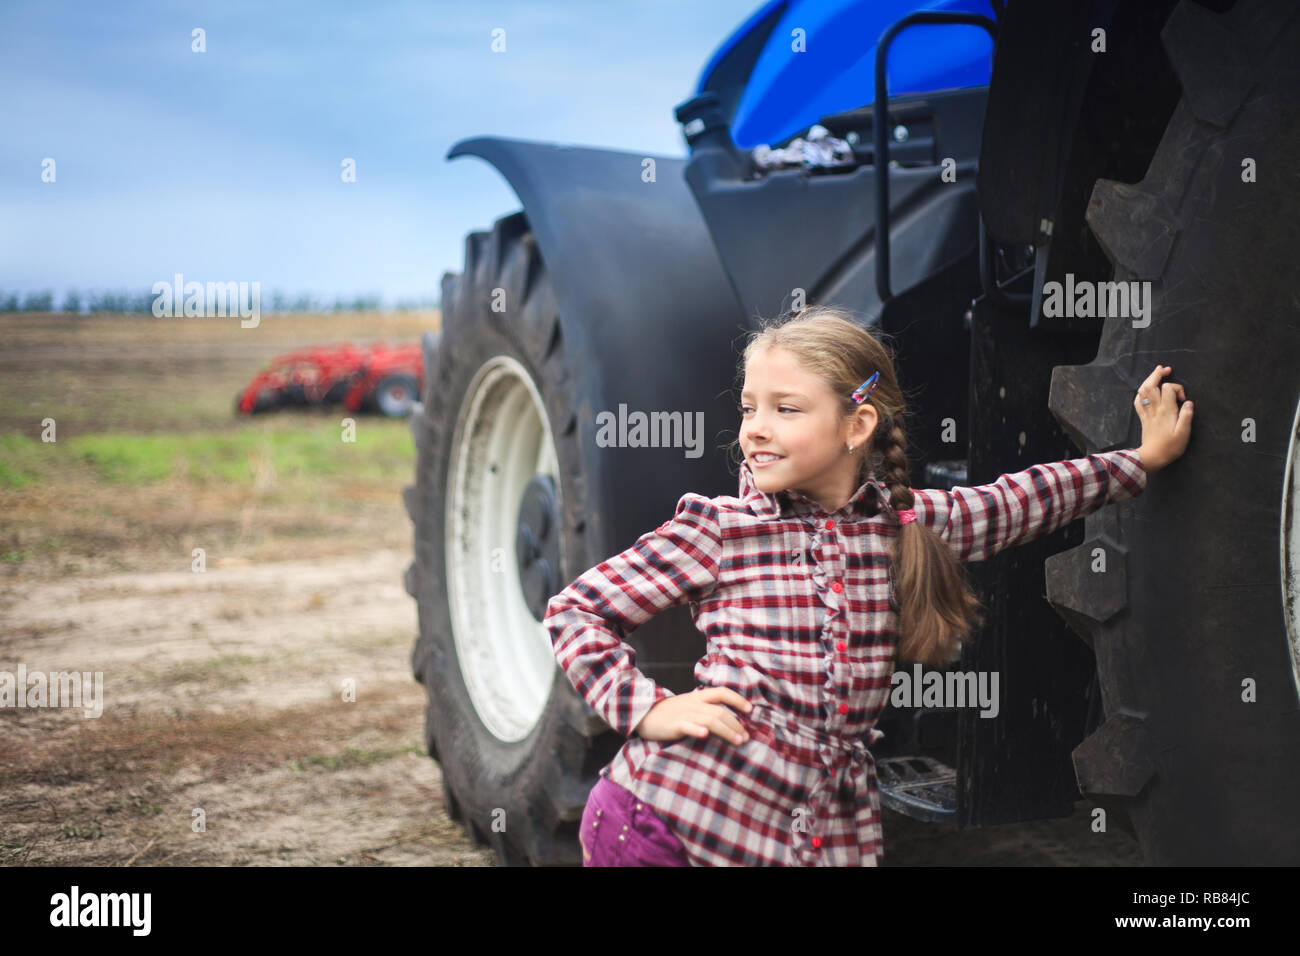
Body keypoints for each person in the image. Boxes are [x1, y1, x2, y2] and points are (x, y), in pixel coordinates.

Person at [544, 305, 1194, 866]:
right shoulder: (720, 530)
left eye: (785, 408)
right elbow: (575, 613)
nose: (755, 428)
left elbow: (1019, 503)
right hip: (662, 828)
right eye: (748, 408)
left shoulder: (902, 525)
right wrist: (648, 708)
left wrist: (1140, 461)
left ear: (856, 427)